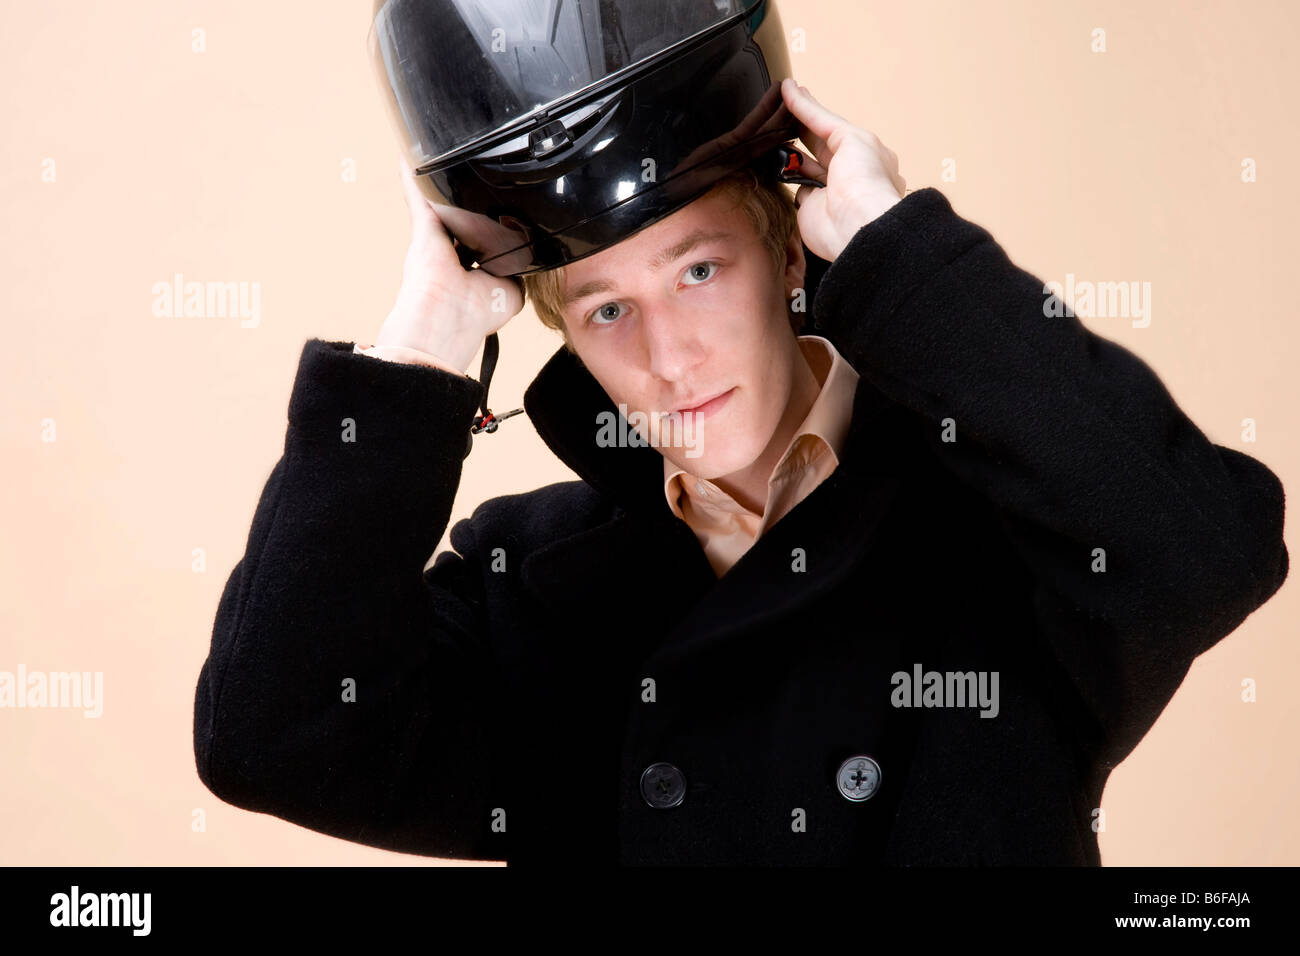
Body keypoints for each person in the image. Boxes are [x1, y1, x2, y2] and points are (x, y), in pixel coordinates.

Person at [192, 13, 1288, 866]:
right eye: (604, 309)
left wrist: (901, 255)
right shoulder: (531, 583)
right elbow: (269, 733)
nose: (666, 358)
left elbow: (1203, 552)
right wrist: (417, 352)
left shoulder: (1002, 519)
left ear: (789, 249)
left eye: (699, 270)